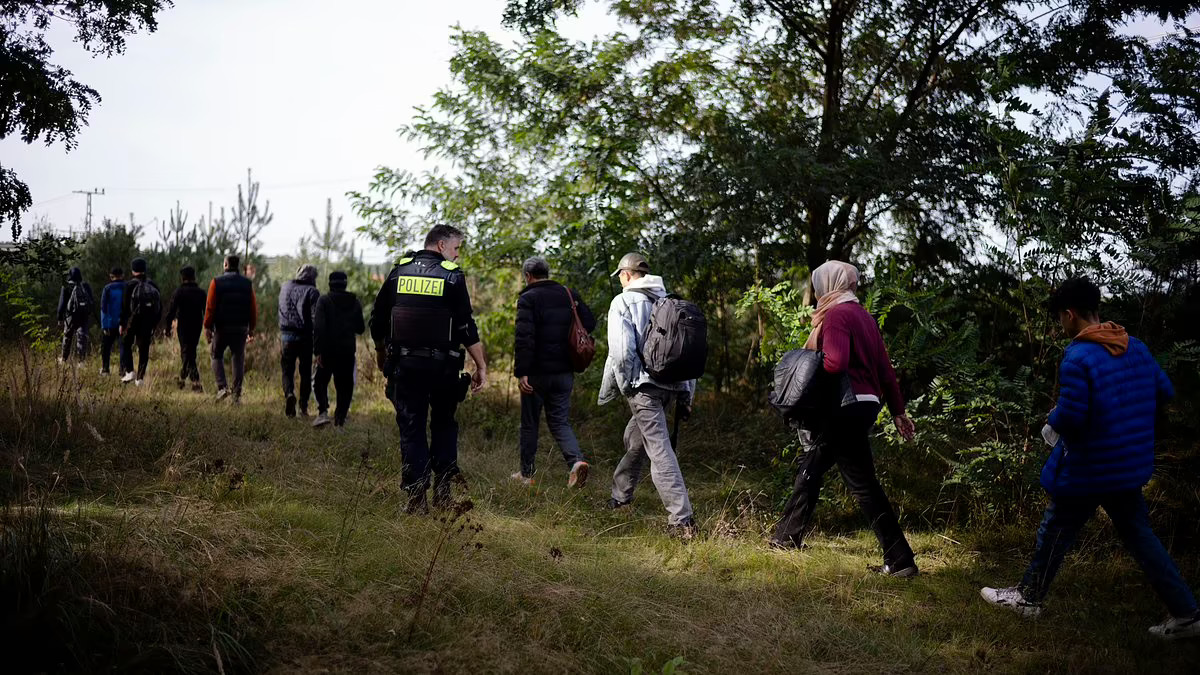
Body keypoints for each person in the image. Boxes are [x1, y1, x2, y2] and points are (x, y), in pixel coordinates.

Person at [981, 278, 1200, 640]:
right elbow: (1165, 390)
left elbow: (1073, 415)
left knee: (1054, 530)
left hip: (1087, 467)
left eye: (1059, 318)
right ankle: (1187, 613)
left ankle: (1028, 598)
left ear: (1070, 315)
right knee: (1140, 536)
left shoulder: (1078, 355)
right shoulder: (1137, 347)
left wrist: (1051, 423)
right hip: (1127, 467)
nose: (1060, 326)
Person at [767, 261, 918, 576]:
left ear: (829, 285)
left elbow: (835, 363)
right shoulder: (864, 316)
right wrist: (898, 412)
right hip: (865, 405)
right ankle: (785, 539)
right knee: (814, 467)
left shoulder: (836, 315)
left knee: (862, 485)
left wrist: (807, 365)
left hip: (843, 407)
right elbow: (886, 372)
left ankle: (901, 559)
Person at [370, 225, 488, 514]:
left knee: (411, 429)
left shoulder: (399, 272)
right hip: (443, 368)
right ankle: (444, 493)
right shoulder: (452, 276)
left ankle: (416, 500)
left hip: (406, 366)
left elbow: (378, 318)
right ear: (441, 246)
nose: (458, 256)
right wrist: (481, 365)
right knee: (444, 425)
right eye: (456, 249)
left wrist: (381, 352)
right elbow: (465, 326)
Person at [598, 252, 697, 539]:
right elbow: (686, 353)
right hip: (672, 387)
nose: (619, 280)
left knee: (659, 450)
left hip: (644, 387)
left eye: (619, 276)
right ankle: (620, 497)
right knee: (637, 441)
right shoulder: (669, 302)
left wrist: (629, 385)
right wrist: (686, 395)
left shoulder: (624, 301)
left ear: (626, 275)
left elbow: (621, 350)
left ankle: (682, 520)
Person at [511, 256, 596, 488]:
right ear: (547, 273)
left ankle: (526, 475)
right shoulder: (569, 294)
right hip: (564, 371)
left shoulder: (528, 298)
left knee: (530, 423)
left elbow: (524, 338)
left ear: (528, 276)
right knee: (560, 422)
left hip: (537, 373)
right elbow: (589, 322)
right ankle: (576, 462)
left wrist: (523, 372)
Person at [312, 271, 365, 428]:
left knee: (320, 382)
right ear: (345, 284)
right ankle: (339, 421)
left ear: (330, 284)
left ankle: (322, 413)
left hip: (328, 351)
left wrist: (318, 351)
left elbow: (319, 327)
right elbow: (361, 328)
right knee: (345, 387)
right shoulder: (354, 302)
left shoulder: (324, 300)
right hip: (347, 352)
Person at [204, 255, 258, 403]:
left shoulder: (216, 282)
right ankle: (236, 396)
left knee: (216, 355)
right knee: (238, 358)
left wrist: (207, 326)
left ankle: (222, 388)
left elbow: (210, 307)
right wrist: (251, 328)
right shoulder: (247, 284)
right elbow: (253, 308)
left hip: (222, 327)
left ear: (226, 265)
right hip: (241, 328)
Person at [279, 264, 321, 418]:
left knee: (287, 370)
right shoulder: (312, 292)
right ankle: (303, 407)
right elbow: (316, 319)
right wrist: (319, 345)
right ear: (312, 278)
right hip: (305, 338)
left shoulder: (285, 287)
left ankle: (289, 393)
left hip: (286, 336)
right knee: (305, 372)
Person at [164, 266, 207, 392]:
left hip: (183, 325)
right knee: (190, 351)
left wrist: (168, 327)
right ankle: (189, 380)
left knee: (186, 351)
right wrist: (210, 327)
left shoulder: (179, 292)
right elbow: (207, 311)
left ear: (182, 278)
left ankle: (191, 380)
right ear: (194, 277)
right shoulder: (201, 292)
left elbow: (171, 310)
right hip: (197, 325)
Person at [119, 257, 161, 386]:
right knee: (144, 349)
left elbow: (125, 306)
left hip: (132, 321)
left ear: (133, 271)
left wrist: (122, 323)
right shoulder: (152, 285)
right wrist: (154, 323)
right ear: (145, 269)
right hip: (147, 322)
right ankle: (140, 378)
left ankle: (130, 371)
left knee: (126, 343)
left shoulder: (129, 285)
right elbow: (159, 307)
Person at [56, 266, 94, 364]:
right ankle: (81, 362)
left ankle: (64, 359)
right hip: (83, 316)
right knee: (82, 337)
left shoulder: (66, 286)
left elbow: (62, 304)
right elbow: (91, 301)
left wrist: (60, 318)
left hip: (70, 317)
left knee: (67, 337)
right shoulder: (85, 286)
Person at [99, 267, 125, 376]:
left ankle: (105, 369)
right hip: (123, 323)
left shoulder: (107, 288)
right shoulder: (127, 287)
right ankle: (123, 370)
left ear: (111, 276)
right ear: (122, 275)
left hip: (110, 324)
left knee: (106, 347)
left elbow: (103, 308)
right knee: (123, 347)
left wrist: (104, 325)